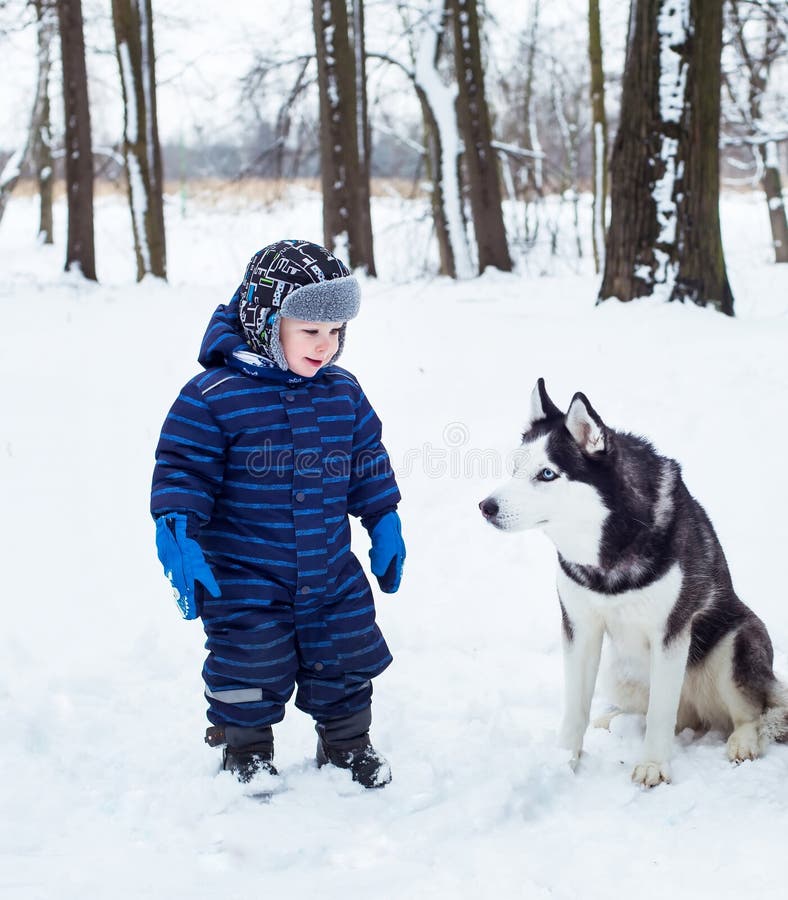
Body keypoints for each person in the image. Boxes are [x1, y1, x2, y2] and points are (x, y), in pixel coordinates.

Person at [151, 239, 405, 789]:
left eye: (336, 332)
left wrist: (383, 517)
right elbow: (182, 470)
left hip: (331, 570)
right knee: (249, 661)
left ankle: (346, 745)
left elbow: (366, 460)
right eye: (311, 331)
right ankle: (245, 750)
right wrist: (176, 531)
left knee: (347, 653)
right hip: (245, 573)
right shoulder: (212, 396)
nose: (326, 345)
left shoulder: (343, 392)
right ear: (267, 321)